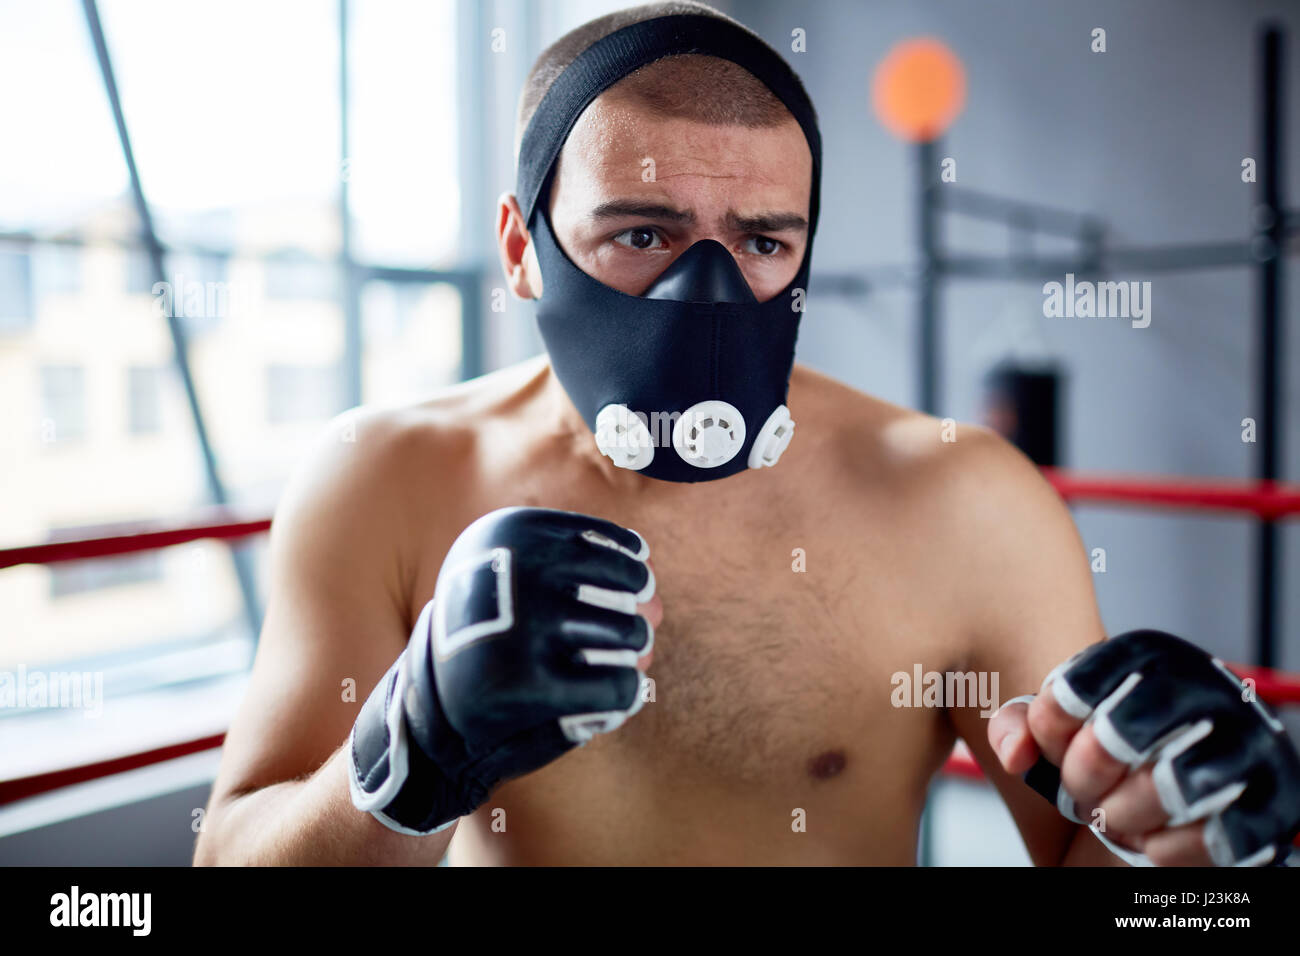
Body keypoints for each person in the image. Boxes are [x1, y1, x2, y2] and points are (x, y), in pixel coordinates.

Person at [194, 0, 1299, 866]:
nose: (707, 291)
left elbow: (1091, 855)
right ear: (521, 247)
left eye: (764, 241)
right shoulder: (385, 476)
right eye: (641, 232)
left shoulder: (963, 500)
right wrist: (409, 753)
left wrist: (1184, 837)